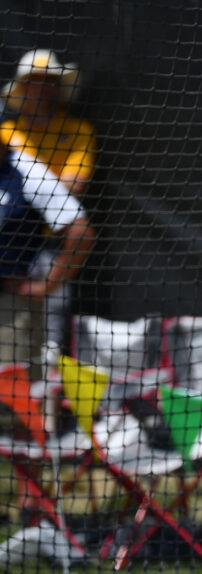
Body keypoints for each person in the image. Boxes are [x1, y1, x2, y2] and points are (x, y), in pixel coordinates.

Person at [0, 49, 97, 360]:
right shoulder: (8, 132)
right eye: (33, 81)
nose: (41, 88)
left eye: (48, 81)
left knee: (49, 346)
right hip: (15, 239)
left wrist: (33, 185)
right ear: (22, 88)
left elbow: (73, 186)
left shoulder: (75, 131)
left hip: (45, 246)